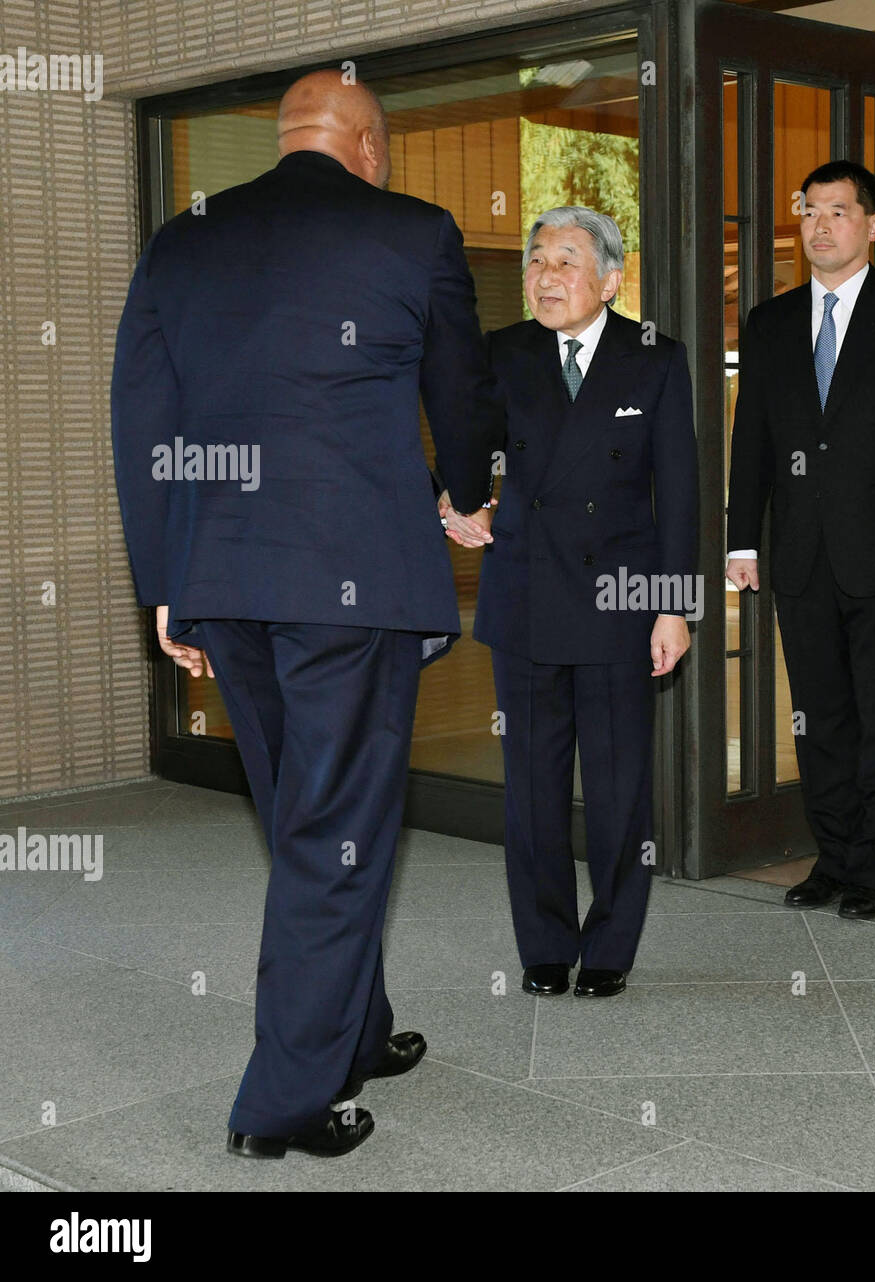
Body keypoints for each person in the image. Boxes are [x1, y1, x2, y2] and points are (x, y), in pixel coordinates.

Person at [111, 70, 500, 1155]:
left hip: (225, 580)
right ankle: (280, 1103)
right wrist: (464, 494)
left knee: (304, 818)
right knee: (334, 830)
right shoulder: (412, 232)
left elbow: (138, 414)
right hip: (350, 587)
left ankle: (351, 1028)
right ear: (368, 145)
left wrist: (165, 583)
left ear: (283, 137)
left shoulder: (183, 239)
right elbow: (461, 392)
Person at [455, 207, 698, 998]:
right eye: (536, 261)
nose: (545, 276)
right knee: (531, 789)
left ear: (611, 278)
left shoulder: (656, 359)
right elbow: (462, 450)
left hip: (622, 603)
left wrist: (674, 607)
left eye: (565, 261)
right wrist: (457, 502)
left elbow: (682, 494)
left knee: (620, 788)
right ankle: (545, 944)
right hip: (524, 594)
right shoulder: (504, 353)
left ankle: (611, 948)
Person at [725, 159, 875, 919]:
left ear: (872, 226)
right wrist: (742, 540)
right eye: (810, 212)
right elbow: (750, 442)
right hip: (798, 556)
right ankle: (832, 855)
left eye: (837, 212)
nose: (820, 226)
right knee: (820, 716)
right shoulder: (769, 322)